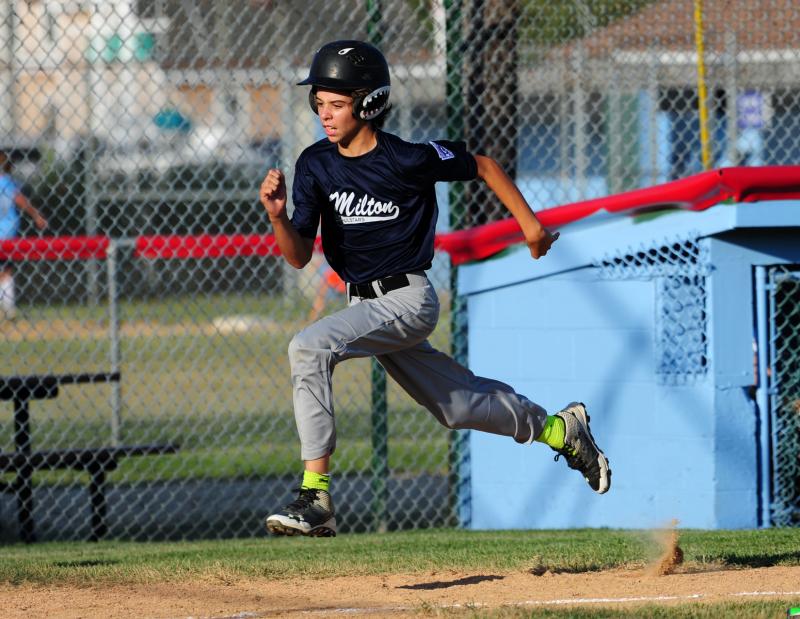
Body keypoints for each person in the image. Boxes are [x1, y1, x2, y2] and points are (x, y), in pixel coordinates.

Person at [259, 40, 610, 537]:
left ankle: (315, 496)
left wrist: (530, 227)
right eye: (319, 102)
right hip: (365, 306)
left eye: (337, 103)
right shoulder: (315, 164)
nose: (325, 113)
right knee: (458, 407)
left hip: (408, 299)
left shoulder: (407, 158)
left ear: (369, 102)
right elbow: (297, 254)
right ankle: (561, 430)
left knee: (309, 346)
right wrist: (276, 217)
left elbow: (484, 165)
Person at [0, 150, 47, 320]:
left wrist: (35, 215)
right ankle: (8, 308)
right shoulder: (8, 182)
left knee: (5, 270)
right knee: (6, 270)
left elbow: (19, 199)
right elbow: (21, 200)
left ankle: (8, 309)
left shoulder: (4, 182)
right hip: (9, 230)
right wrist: (36, 215)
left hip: (4, 231)